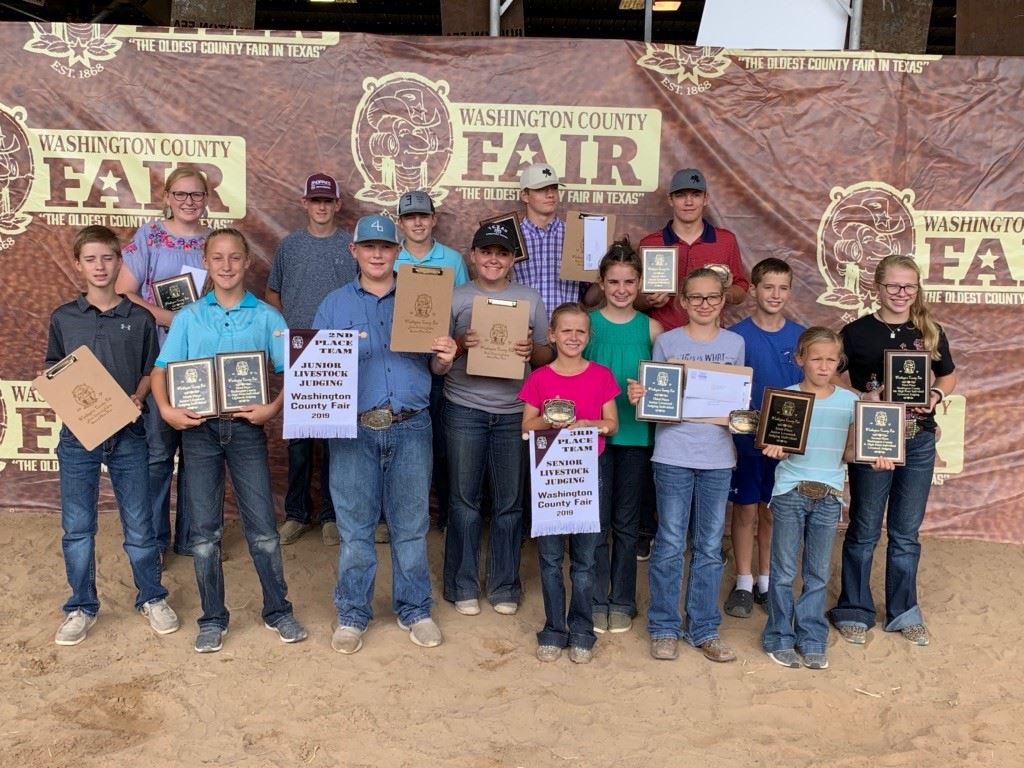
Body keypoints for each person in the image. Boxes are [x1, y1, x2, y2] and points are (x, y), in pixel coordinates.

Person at [151, 228, 307, 653]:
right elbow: (162, 370)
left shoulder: (268, 318)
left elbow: (297, 370)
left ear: (247, 262)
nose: (226, 266)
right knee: (204, 534)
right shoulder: (188, 317)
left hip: (246, 432)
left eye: (234, 258)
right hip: (199, 433)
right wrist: (166, 410)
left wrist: (272, 408)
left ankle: (278, 610)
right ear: (206, 262)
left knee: (263, 531)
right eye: (217, 258)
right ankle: (213, 618)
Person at [314, 214, 457, 655]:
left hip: (411, 423)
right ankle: (353, 613)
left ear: (398, 251)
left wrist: (446, 358)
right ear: (353, 251)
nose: (378, 254)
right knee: (356, 528)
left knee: (411, 526)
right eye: (368, 246)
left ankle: (415, 608)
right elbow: (316, 374)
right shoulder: (333, 305)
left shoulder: (423, 297)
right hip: (354, 427)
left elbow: (434, 365)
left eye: (386, 246)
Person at [48, 226, 180, 646]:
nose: (100, 267)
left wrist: (137, 397)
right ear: (78, 265)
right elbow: (55, 371)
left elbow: (149, 371)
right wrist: (73, 404)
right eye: (90, 259)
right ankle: (82, 606)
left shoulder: (139, 317)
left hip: (129, 435)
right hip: (77, 438)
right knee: (77, 527)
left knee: (140, 526)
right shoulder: (63, 317)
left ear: (120, 263)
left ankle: (152, 597)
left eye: (107, 258)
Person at [828, 254, 957, 647]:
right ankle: (854, 609)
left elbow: (948, 375)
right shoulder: (855, 332)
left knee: (905, 532)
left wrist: (935, 394)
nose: (901, 294)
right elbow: (829, 375)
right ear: (877, 288)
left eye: (909, 287)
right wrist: (868, 395)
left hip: (918, 438)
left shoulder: (928, 330)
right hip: (876, 436)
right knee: (865, 528)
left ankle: (903, 611)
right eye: (893, 286)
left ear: (917, 289)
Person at [627, 268, 744, 663]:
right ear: (683, 301)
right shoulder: (668, 341)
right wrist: (642, 395)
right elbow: (658, 394)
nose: (704, 304)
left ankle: (704, 629)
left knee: (710, 547)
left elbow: (734, 403)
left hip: (717, 456)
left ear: (723, 301)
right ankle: (664, 627)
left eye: (712, 297)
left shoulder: (735, 344)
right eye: (696, 297)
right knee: (671, 543)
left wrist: (743, 416)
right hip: (673, 453)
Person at [759, 327, 885, 670]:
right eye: (816, 358)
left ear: (839, 362)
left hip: (829, 493)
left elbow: (847, 452)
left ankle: (812, 637)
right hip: (789, 492)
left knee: (816, 573)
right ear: (800, 359)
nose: (824, 365)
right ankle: (779, 636)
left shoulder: (851, 401)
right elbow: (777, 446)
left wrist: (874, 453)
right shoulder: (785, 398)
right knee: (783, 571)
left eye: (831, 359)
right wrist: (774, 449)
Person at [443, 223, 552, 617]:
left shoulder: (530, 298)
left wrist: (530, 350)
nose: (493, 259)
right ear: (472, 256)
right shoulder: (455, 297)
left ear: (512, 260)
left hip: (513, 413)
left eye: (502, 253)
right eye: (486, 252)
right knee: (464, 501)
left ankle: (505, 585)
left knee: (509, 504)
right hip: (464, 408)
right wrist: (459, 344)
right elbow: (435, 360)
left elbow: (544, 359)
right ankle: (462, 584)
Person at [117, 165, 211, 558]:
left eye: (196, 195)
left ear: (207, 199)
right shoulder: (150, 236)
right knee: (158, 453)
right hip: (160, 357)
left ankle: (192, 538)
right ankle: (154, 539)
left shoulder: (214, 241)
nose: (189, 202)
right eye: (181, 194)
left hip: (204, 359)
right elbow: (125, 292)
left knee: (198, 452)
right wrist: (171, 318)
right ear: (168, 197)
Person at [520, 303, 619, 664]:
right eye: (566, 331)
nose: (573, 337)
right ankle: (553, 628)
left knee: (585, 558)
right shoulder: (540, 378)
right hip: (550, 474)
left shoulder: (602, 375)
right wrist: (551, 419)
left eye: (580, 332)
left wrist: (587, 425)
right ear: (552, 334)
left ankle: (581, 629)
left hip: (589, 472)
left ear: (588, 337)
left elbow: (613, 423)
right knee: (549, 557)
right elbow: (526, 426)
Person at [266, 172, 355, 547]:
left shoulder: (352, 246)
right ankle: (298, 513)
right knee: (300, 441)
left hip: (339, 353)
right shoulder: (290, 247)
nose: (321, 207)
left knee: (337, 439)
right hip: (301, 352)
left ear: (337, 205)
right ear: (305, 203)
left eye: (327, 201)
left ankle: (333, 515)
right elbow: (272, 294)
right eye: (314, 200)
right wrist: (289, 332)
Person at [584, 240, 662, 634]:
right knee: (595, 522)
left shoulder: (651, 327)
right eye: (613, 281)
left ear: (640, 283)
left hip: (635, 436)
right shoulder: (588, 323)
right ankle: (597, 598)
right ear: (601, 282)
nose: (621, 289)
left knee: (627, 523)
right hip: (591, 437)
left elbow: (663, 386)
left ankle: (624, 600)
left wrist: (646, 394)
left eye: (629, 281)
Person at [724, 258, 805, 618]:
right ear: (753, 290)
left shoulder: (800, 338)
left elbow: (810, 389)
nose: (775, 294)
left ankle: (766, 579)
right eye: (767, 287)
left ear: (789, 292)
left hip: (785, 443)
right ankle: (743, 580)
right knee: (743, 510)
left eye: (782, 288)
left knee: (771, 512)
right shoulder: (736, 337)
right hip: (744, 440)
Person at [395, 189, 469, 535]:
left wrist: (452, 346)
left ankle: (443, 513)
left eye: (423, 216)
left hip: (440, 362)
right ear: (401, 223)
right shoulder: (388, 258)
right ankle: (396, 514)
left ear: (434, 219)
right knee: (398, 437)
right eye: (410, 217)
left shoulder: (452, 260)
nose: (418, 222)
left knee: (440, 440)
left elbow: (464, 310)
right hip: (401, 363)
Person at [637, 168, 749, 332]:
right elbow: (632, 297)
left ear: (705, 199)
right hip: (663, 335)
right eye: (681, 195)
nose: (688, 202)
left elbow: (741, 289)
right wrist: (648, 300)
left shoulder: (726, 240)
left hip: (711, 336)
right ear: (670, 199)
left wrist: (721, 292)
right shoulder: (650, 243)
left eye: (695, 195)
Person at [513, 163, 586, 321]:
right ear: (525, 195)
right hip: (522, 328)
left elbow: (590, 297)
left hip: (567, 331)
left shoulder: (577, 235)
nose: (550, 194)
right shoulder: (511, 236)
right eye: (541, 189)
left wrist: (601, 271)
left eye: (554, 188)